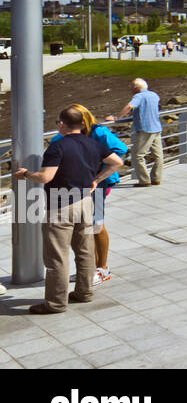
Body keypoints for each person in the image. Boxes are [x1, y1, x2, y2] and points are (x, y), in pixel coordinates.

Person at [13, 105, 124, 314]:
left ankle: (55, 303)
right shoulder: (92, 143)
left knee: (56, 256)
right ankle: (85, 292)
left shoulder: (57, 147)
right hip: (85, 201)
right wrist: (96, 180)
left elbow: (46, 177)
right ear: (82, 123)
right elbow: (117, 161)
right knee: (84, 250)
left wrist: (26, 174)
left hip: (60, 204)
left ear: (61, 124)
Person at [49, 104, 127, 285]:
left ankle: (102, 268)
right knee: (85, 225)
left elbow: (120, 150)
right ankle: (89, 268)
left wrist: (97, 172)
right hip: (78, 185)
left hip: (98, 185)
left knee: (96, 224)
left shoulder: (98, 132)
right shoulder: (61, 137)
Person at [105, 78, 163, 187]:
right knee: (158, 156)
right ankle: (156, 178)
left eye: (131, 87)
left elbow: (129, 106)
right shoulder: (154, 95)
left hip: (145, 129)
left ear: (136, 88)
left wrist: (116, 117)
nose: (130, 89)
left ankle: (144, 181)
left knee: (138, 156)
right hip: (157, 128)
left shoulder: (138, 96)